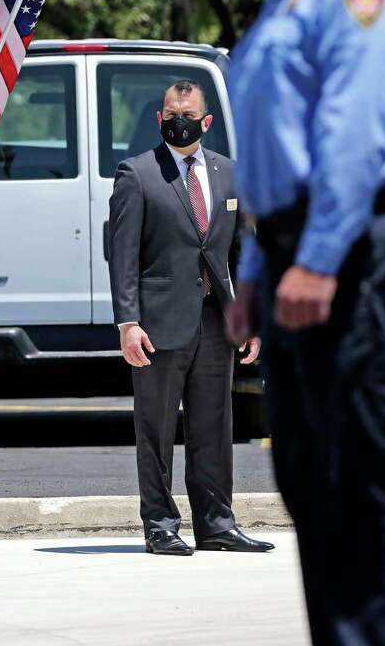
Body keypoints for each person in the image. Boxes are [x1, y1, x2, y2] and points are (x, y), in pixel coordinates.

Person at [225, 0, 385, 642]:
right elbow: (270, 153)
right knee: (310, 484)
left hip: (354, 254)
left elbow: (351, 136)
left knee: (364, 486)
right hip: (292, 254)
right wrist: (255, 267)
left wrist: (313, 258)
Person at [108, 80, 271, 556]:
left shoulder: (228, 175)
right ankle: (159, 523)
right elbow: (123, 257)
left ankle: (217, 522)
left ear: (206, 121)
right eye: (169, 113)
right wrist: (127, 322)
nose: (177, 120)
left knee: (214, 427)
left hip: (216, 322)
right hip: (158, 325)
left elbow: (242, 253)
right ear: (160, 119)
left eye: (187, 113)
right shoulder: (137, 173)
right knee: (155, 428)